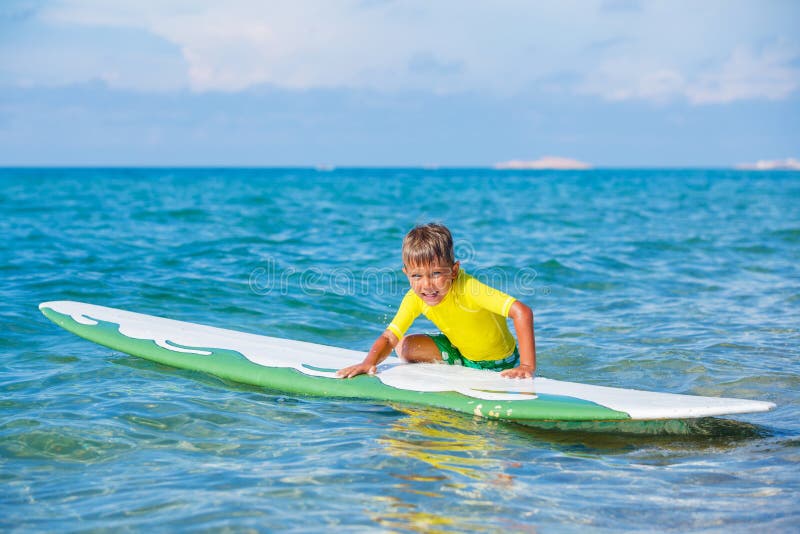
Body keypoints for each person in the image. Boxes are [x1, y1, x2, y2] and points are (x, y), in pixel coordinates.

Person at [337, 223, 536, 379]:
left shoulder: (469, 288)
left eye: (436, 274)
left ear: (454, 271)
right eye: (416, 276)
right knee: (404, 346)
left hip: (500, 362)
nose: (427, 285)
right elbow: (390, 338)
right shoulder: (414, 298)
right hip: (462, 355)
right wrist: (368, 363)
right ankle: (455, 362)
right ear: (406, 274)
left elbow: (522, 312)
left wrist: (526, 365)